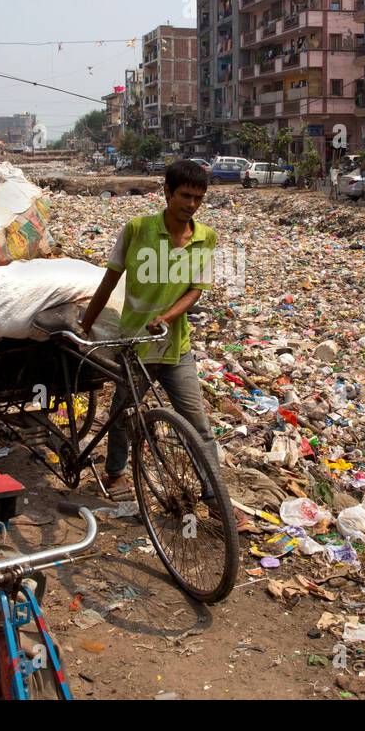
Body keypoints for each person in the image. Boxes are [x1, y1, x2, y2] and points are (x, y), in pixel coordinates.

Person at [79, 159, 220, 493]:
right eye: (185, 196)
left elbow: (196, 290)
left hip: (176, 348)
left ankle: (216, 499)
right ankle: (116, 472)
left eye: (198, 198)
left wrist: (167, 317)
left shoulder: (206, 238)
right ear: (167, 192)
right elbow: (108, 282)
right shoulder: (137, 230)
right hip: (135, 344)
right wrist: (85, 326)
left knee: (199, 428)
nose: (191, 205)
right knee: (123, 413)